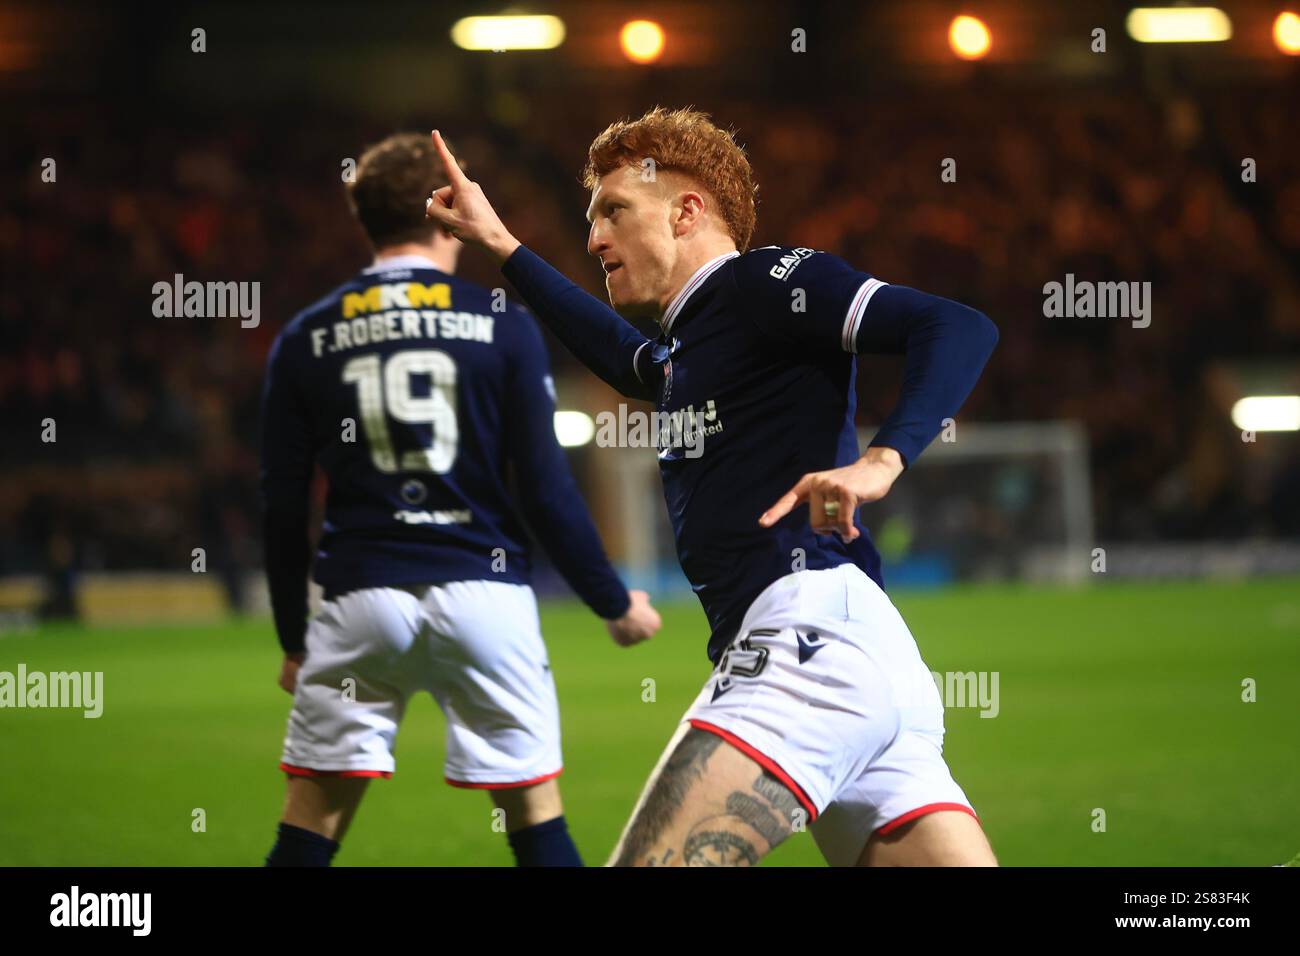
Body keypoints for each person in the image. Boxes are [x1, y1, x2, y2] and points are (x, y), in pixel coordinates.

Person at [423, 108, 999, 866]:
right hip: (866, 657)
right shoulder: (691, 348)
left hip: (807, 644)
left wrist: (882, 459)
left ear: (688, 209)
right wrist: (501, 245)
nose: (596, 238)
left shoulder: (761, 283)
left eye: (614, 212)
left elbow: (956, 326)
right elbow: (620, 355)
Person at [259, 132, 660, 867]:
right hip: (485, 596)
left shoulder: (307, 335)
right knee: (536, 817)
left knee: (310, 822)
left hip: (358, 599)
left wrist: (294, 637)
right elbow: (544, 489)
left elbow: (281, 507)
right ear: (447, 210)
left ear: (366, 218)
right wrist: (614, 602)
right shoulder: (502, 322)